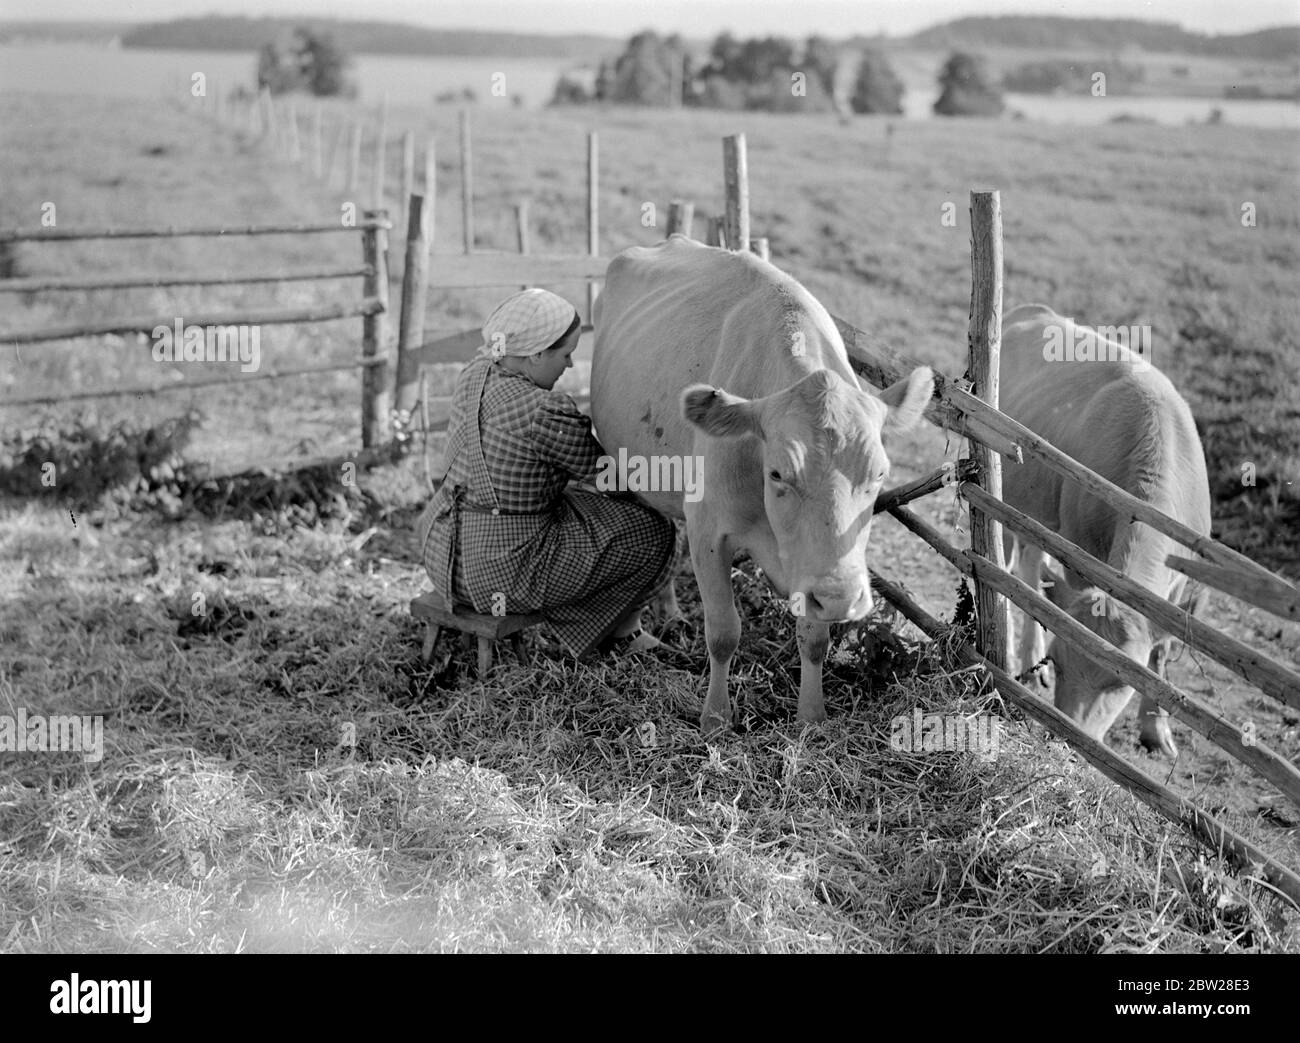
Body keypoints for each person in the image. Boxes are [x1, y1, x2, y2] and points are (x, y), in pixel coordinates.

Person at [416, 288, 677, 659]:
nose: (570, 365)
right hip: (500, 575)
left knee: (571, 506)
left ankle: (604, 623)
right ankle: (621, 632)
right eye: (566, 354)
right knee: (653, 530)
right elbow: (612, 480)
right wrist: (676, 479)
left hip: (441, 553)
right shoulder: (545, 411)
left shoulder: (476, 371)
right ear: (536, 354)